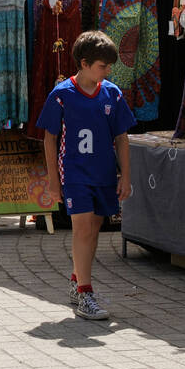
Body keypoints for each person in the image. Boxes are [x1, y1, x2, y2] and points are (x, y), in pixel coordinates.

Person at [37, 30, 135, 321]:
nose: (107, 72)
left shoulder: (112, 93)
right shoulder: (62, 95)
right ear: (83, 63)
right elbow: (49, 138)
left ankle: (76, 280)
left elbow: (122, 138)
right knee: (81, 229)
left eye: (108, 67)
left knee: (93, 230)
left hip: (104, 175)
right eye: (102, 66)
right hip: (75, 175)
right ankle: (85, 293)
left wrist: (125, 176)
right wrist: (54, 181)